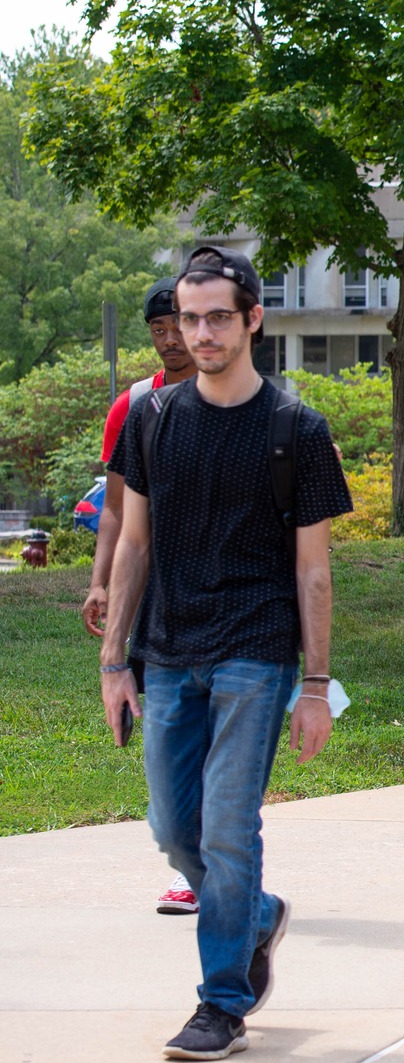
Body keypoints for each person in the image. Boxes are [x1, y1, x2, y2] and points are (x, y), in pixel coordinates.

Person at [98, 246, 354, 1060]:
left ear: (252, 319)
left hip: (256, 646)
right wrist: (113, 661)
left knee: (228, 832)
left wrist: (314, 683)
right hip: (167, 649)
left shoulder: (296, 430)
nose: (199, 333)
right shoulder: (152, 419)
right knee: (175, 827)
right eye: (187, 317)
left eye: (216, 317)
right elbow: (132, 544)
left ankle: (222, 1004)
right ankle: (255, 913)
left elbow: (313, 570)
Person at [79, 276, 205, 915]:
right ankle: (197, 864)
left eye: (177, 326)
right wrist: (101, 581)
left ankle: (212, 869)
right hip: (153, 596)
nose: (170, 342)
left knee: (213, 731)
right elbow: (115, 512)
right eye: (158, 331)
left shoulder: (243, 401)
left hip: (224, 594)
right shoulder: (134, 406)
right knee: (170, 730)